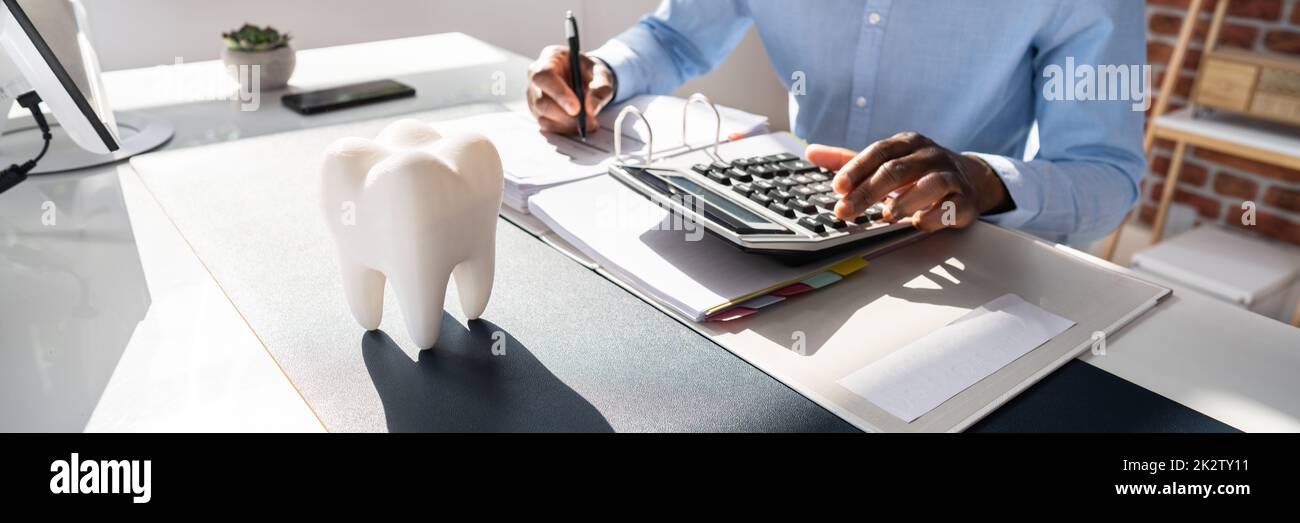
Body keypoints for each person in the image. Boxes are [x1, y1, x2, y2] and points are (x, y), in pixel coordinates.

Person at [525, 0, 1147, 244]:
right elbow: (676, 35)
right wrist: (602, 69)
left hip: (959, 255)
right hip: (780, 227)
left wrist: (985, 179)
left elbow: (1106, 174)